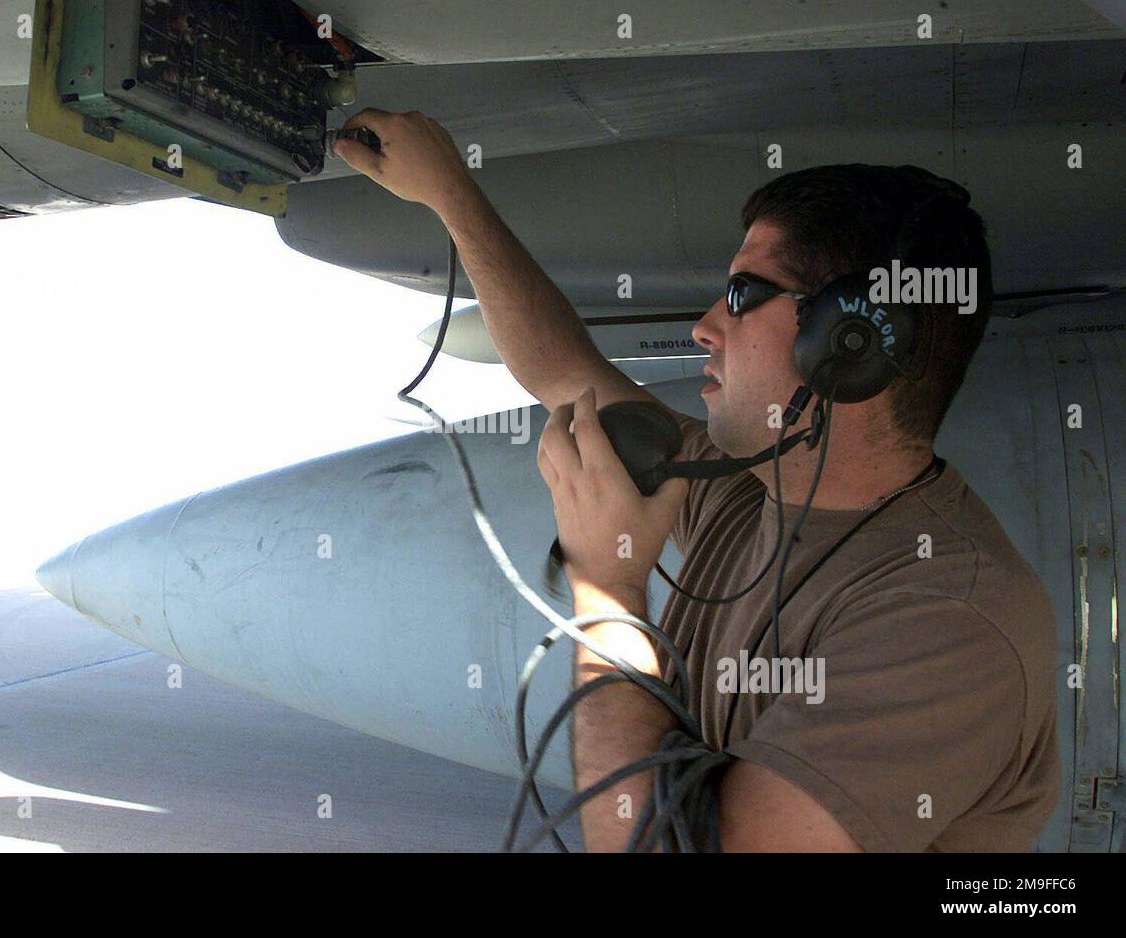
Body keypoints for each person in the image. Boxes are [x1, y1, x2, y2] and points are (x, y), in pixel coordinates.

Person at [333, 109, 1060, 852]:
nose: (706, 326)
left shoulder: (947, 619)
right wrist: (449, 194)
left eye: (744, 294)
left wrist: (607, 587)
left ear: (850, 342)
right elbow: (562, 370)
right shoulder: (744, 491)